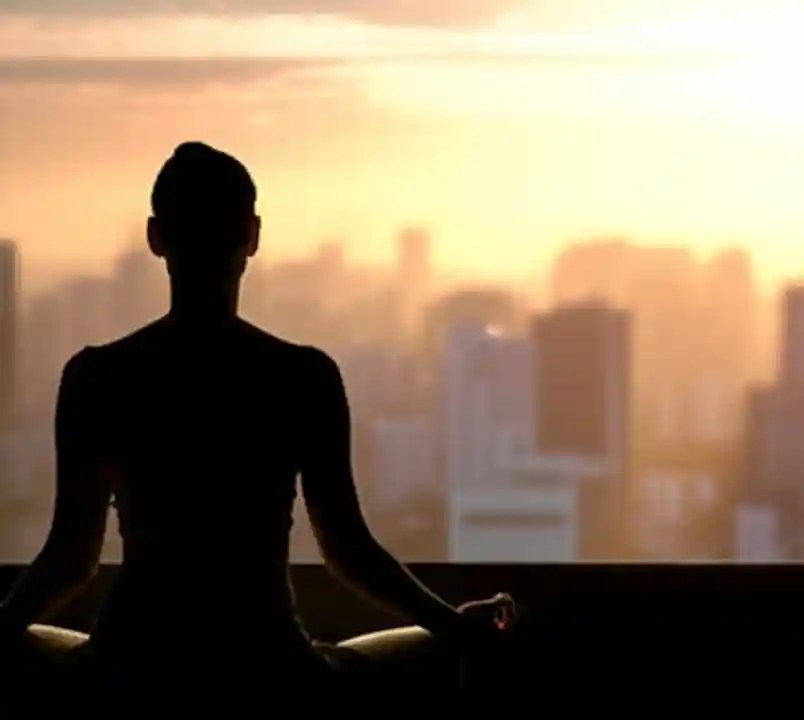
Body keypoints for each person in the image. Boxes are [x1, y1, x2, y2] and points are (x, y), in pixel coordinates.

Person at [0, 142, 514, 711]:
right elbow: (349, 551)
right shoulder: (302, 376)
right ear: (252, 236)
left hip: (128, 664)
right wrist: (451, 624)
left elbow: (71, 560)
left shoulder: (97, 377)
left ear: (156, 237)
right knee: (429, 659)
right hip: (270, 664)